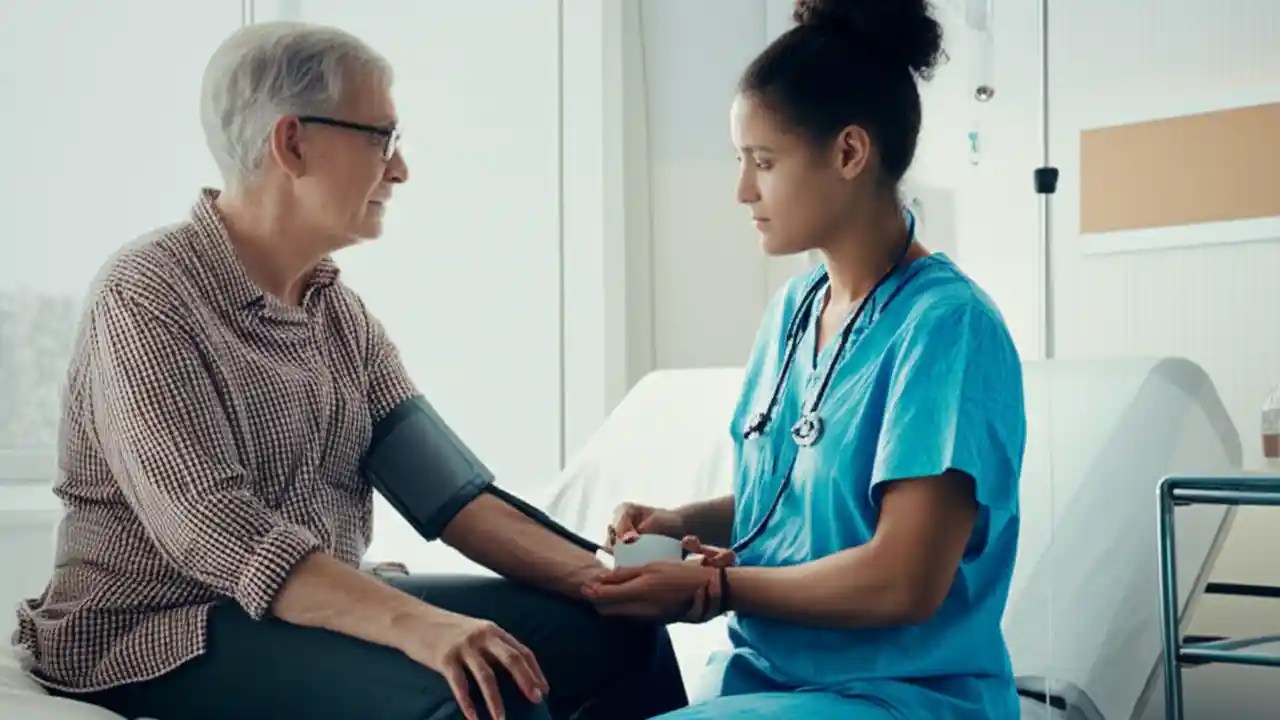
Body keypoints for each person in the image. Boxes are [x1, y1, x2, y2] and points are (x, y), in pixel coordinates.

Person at [11, 21, 687, 720]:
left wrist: (609, 581)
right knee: (487, 689)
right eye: (382, 139)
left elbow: (451, 497)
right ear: (292, 142)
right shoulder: (148, 293)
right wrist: (418, 624)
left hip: (287, 615)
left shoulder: (337, 313)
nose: (400, 169)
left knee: (621, 636)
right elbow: (217, 528)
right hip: (158, 628)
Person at [583, 1, 1027, 718]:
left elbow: (902, 579)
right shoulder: (794, 313)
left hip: (899, 695)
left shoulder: (948, 329)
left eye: (763, 162)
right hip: (765, 680)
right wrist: (675, 522)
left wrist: (717, 589)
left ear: (850, 153)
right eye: (740, 161)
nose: (742, 191)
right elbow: (795, 506)